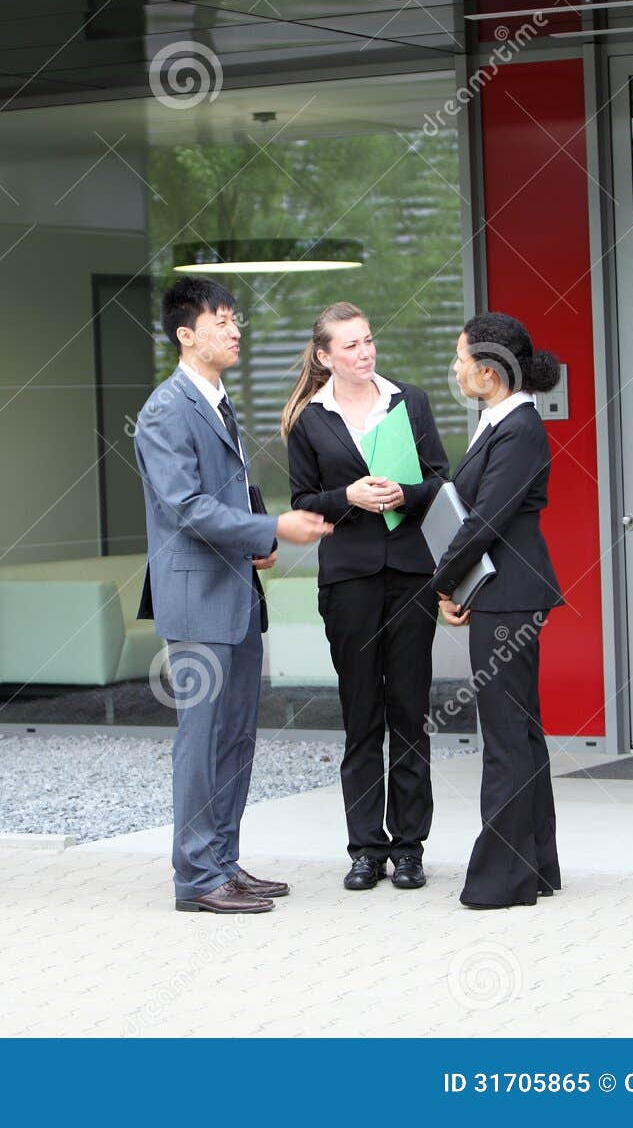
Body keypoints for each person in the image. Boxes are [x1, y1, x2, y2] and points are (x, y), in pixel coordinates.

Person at [134, 277, 333, 914]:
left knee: (235, 736)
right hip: (197, 599)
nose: (235, 329)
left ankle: (222, 860)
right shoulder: (167, 410)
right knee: (202, 737)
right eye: (220, 320)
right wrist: (272, 527)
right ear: (185, 335)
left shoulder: (219, 401)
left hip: (236, 588)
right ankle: (195, 878)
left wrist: (258, 535)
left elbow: (229, 491)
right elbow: (186, 507)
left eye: (234, 319)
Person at [283, 302, 450, 891]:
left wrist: (401, 493)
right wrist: (349, 495)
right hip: (349, 580)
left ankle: (409, 847)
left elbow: (440, 482)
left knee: (409, 709)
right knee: (361, 714)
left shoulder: (410, 402)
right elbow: (304, 502)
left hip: (409, 575)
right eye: (350, 346)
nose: (365, 352)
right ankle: (364, 849)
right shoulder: (310, 420)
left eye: (368, 341)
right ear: (325, 357)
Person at [432, 312, 564, 910]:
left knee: (507, 738)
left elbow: (486, 520)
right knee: (521, 734)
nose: (455, 369)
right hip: (500, 594)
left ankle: (503, 879)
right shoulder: (500, 422)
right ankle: (531, 866)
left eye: (460, 359)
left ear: (487, 372)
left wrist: (440, 586)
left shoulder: (518, 429)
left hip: (509, 594)